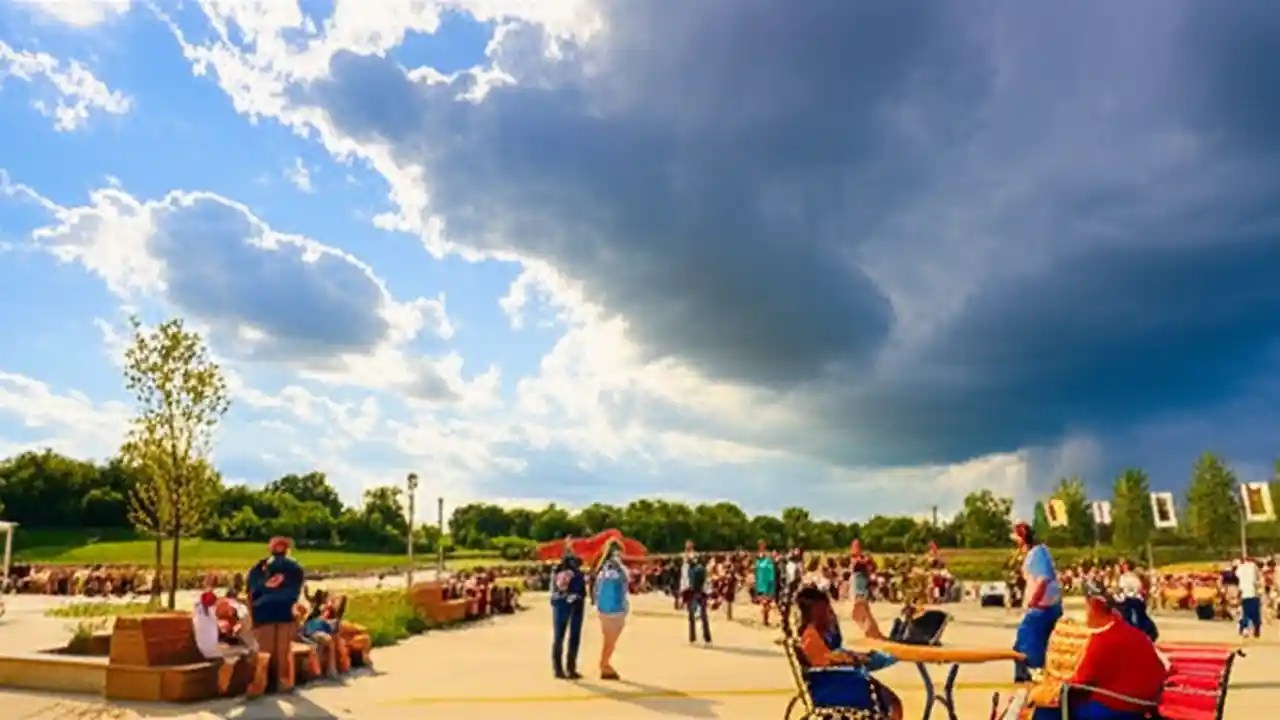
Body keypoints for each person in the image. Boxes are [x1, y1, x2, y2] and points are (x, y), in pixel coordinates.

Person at [1031, 595, 1166, 720]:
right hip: (1146, 703)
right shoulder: (1135, 634)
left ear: (1093, 610)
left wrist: (1050, 689)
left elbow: (1080, 682)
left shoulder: (1101, 640)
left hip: (1118, 707)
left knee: (1050, 706)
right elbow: (1160, 669)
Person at [793, 587, 903, 719]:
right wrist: (849, 658)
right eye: (827, 609)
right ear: (817, 610)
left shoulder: (819, 632)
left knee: (882, 659)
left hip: (838, 680)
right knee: (893, 703)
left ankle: (894, 647)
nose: (831, 612)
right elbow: (824, 661)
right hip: (838, 684)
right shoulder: (810, 636)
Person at [247, 536, 304, 694]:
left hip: (272, 611)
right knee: (275, 650)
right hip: (274, 611)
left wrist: (252, 614)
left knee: (271, 651)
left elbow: (250, 593)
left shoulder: (260, 568)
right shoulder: (294, 568)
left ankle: (268, 683)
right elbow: (295, 592)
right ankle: (276, 683)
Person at [1012, 522, 1062, 682]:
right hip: (1045, 608)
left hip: (1041, 610)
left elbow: (1043, 580)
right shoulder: (1038, 553)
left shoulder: (1037, 553)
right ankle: (1028, 678)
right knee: (1025, 648)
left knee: (1026, 649)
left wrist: (1033, 601)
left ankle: (1030, 681)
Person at [193, 590, 267, 697]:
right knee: (251, 653)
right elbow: (230, 619)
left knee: (233, 657)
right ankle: (254, 686)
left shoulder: (199, 609)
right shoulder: (215, 612)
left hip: (207, 647)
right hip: (215, 648)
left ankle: (223, 689)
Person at [593, 539, 630, 680]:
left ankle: (605, 664)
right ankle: (604, 664)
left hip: (604, 608)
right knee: (610, 641)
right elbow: (621, 588)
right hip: (614, 609)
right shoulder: (615, 568)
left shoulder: (602, 568)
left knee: (609, 640)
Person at [550, 543, 587, 679]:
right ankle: (570, 668)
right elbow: (581, 591)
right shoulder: (576, 573)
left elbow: (553, 591)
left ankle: (558, 669)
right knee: (573, 637)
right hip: (575, 605)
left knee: (559, 637)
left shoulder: (556, 571)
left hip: (559, 604)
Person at [849, 540, 883, 640]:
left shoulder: (861, 558)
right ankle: (871, 630)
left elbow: (871, 567)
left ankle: (870, 631)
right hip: (860, 581)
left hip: (860, 582)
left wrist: (867, 561)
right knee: (861, 607)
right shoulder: (858, 558)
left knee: (860, 606)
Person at [686, 554, 713, 644]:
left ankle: (696, 638)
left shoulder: (697, 569)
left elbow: (698, 582)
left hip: (698, 593)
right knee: (698, 616)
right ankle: (703, 638)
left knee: (698, 616)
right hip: (697, 593)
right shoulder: (693, 569)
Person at [754, 540, 779, 627]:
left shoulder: (768, 556)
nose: (762, 546)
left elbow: (773, 565)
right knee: (764, 601)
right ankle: (765, 619)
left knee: (768, 601)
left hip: (769, 581)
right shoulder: (757, 557)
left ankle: (766, 618)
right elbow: (756, 569)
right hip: (761, 582)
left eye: (763, 544)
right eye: (760, 545)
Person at [1236, 554, 1262, 638]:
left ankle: (1244, 629)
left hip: (1244, 593)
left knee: (1246, 612)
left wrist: (1238, 594)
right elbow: (1257, 580)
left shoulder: (1240, 568)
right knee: (1255, 613)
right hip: (1253, 593)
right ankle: (1256, 629)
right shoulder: (1254, 567)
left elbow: (1239, 580)